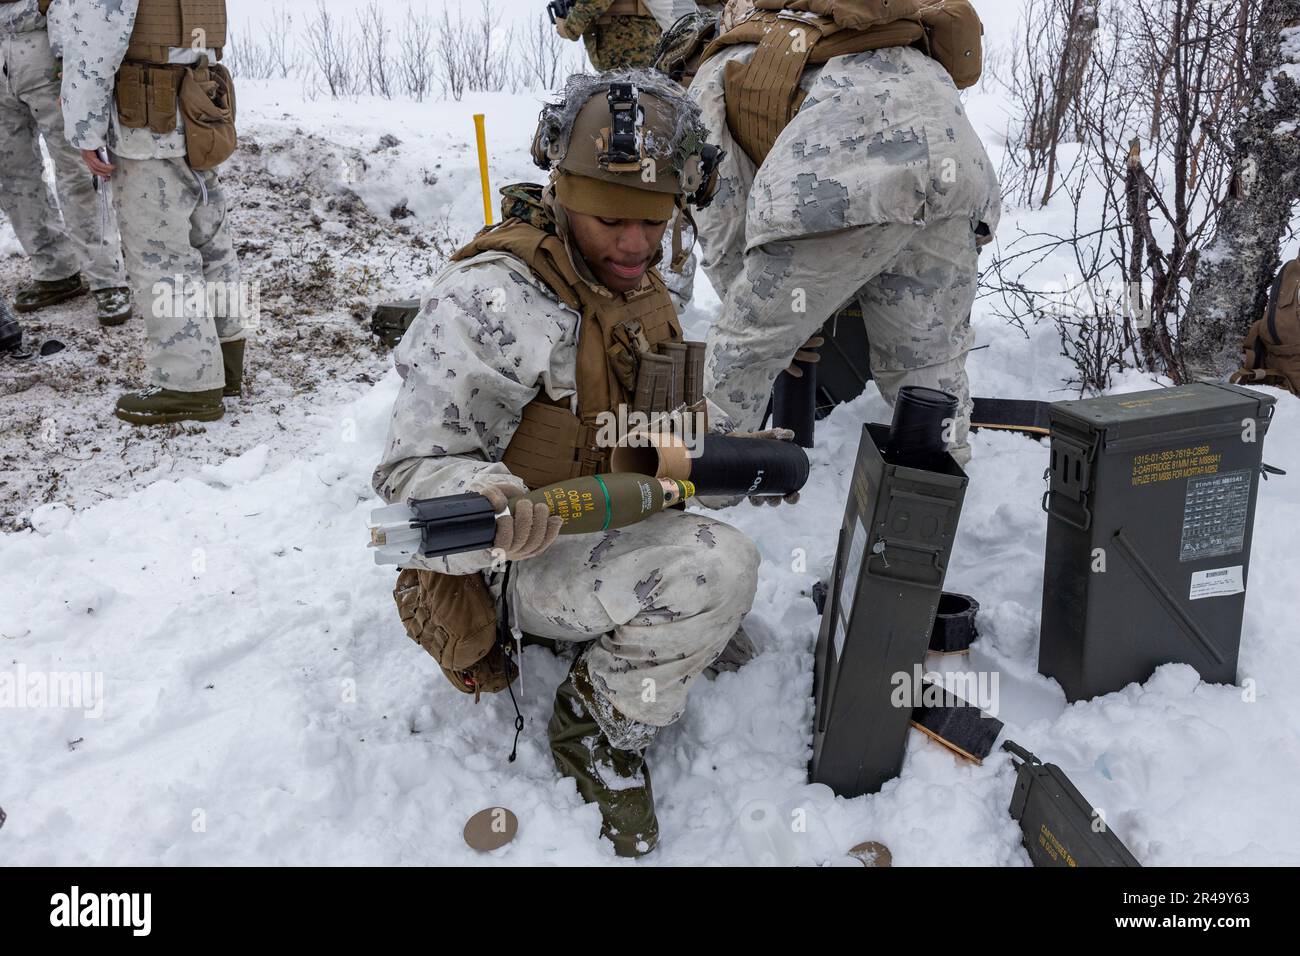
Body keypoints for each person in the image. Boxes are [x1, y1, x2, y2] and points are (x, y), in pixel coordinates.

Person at [373, 71, 763, 858]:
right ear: (561, 190)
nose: (635, 244)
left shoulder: (637, 283)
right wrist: (491, 500)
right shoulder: (495, 298)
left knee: (715, 582)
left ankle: (640, 622)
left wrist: (720, 461)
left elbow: (657, 429)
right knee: (718, 569)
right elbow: (410, 477)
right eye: (611, 220)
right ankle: (597, 727)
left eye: (654, 222)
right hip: (511, 558)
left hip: (610, 518)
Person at [689, 0, 1001, 462]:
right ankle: (929, 494)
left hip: (847, 183)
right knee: (929, 366)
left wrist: (760, 312)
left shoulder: (717, 70)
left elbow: (718, 207)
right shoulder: (875, 31)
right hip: (955, 175)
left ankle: (701, 495)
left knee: (742, 355)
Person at [60, 0, 245, 425]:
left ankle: (189, 383)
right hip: (201, 102)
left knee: (159, 254)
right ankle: (228, 364)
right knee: (213, 244)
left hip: (149, 118)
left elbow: (94, 39)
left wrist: (83, 128)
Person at [0, 0, 130, 324]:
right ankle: (55, 270)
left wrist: (68, 56)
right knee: (13, 175)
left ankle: (108, 279)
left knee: (76, 170)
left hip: (46, 52)